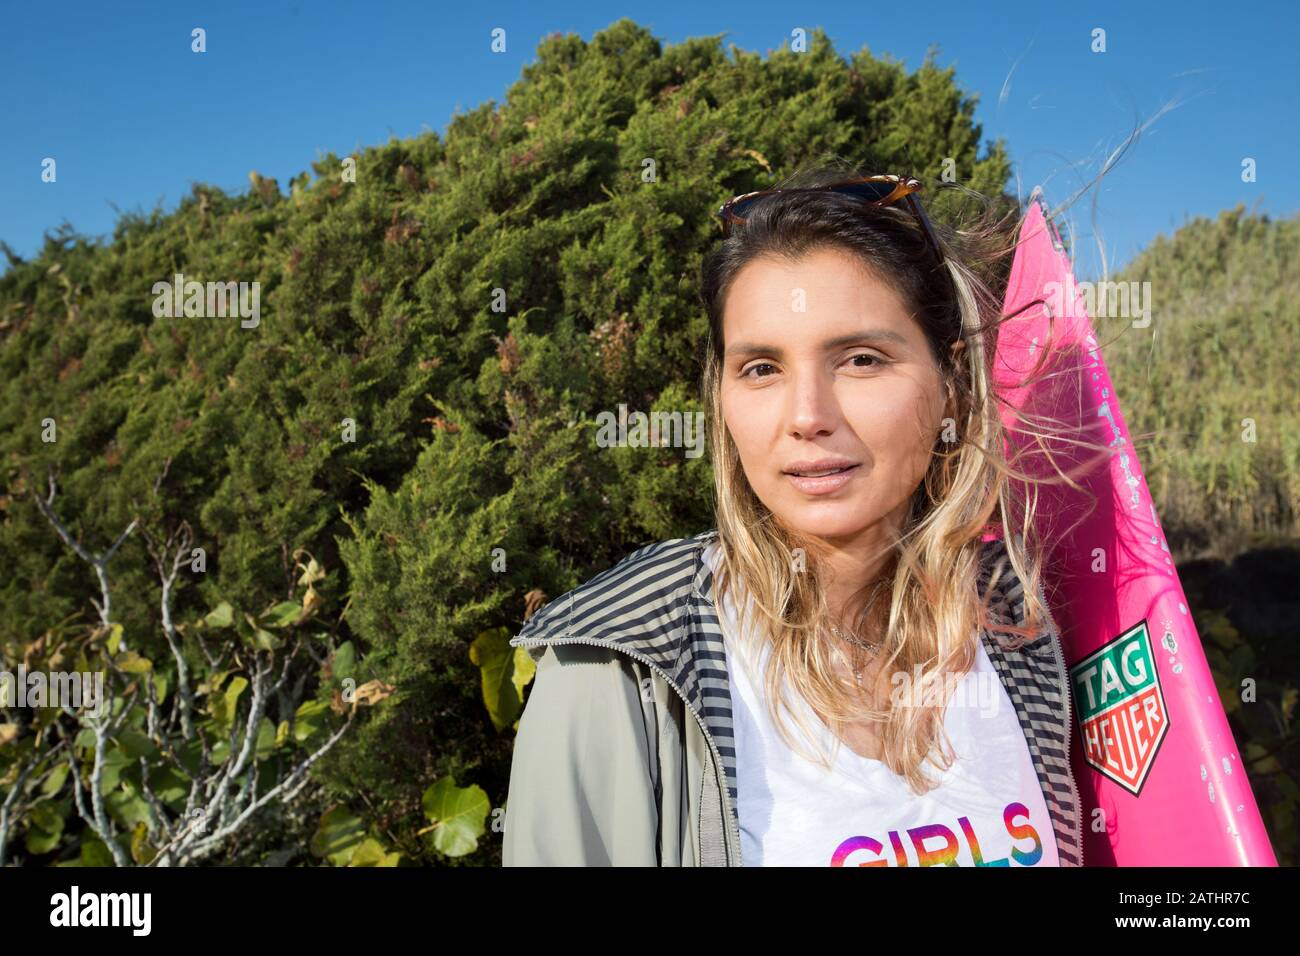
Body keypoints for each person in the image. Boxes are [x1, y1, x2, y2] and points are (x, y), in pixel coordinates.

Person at [502, 158, 1094, 867]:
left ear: (954, 386)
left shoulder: (1024, 621)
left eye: (861, 360)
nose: (807, 416)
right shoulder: (617, 665)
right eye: (761, 368)